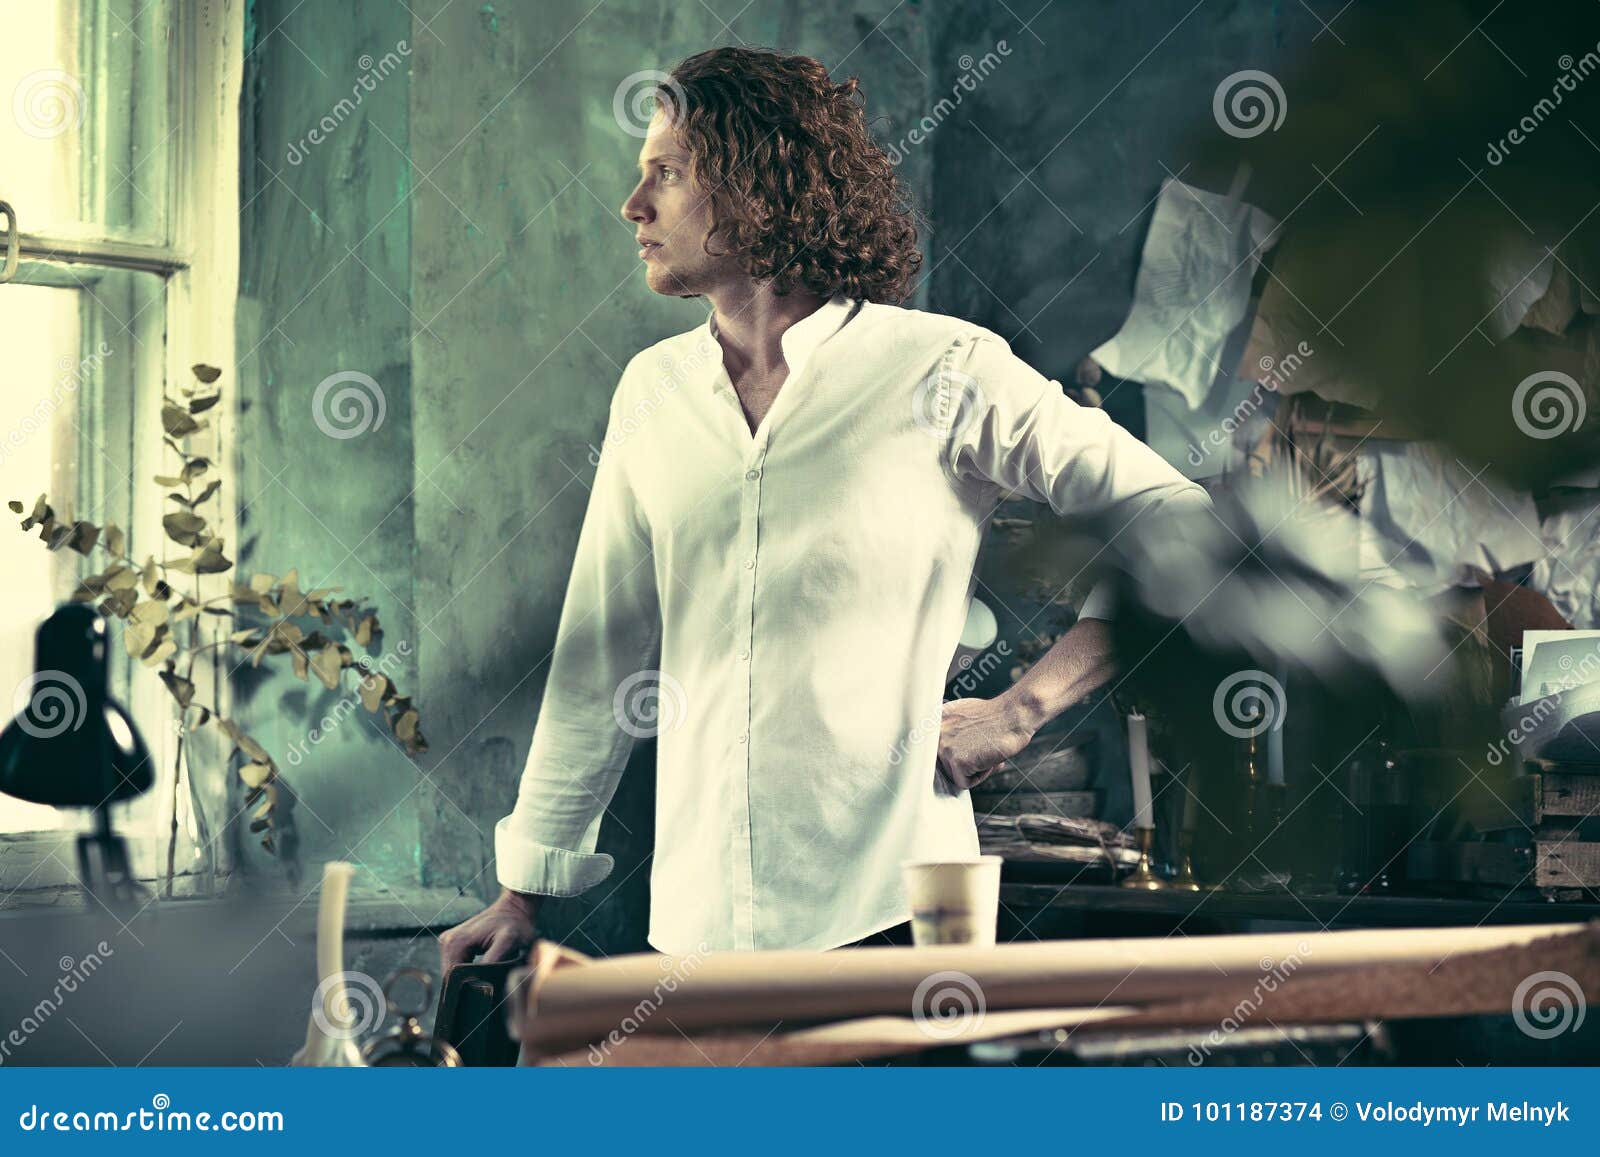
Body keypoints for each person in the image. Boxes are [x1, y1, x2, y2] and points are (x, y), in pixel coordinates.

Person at [439, 45, 1209, 966]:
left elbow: (1186, 530)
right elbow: (596, 655)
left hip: (894, 918)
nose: (632, 207)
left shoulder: (943, 368)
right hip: (696, 934)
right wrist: (521, 893)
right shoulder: (652, 390)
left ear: (758, 183)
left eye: (666, 174)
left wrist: (1021, 709)